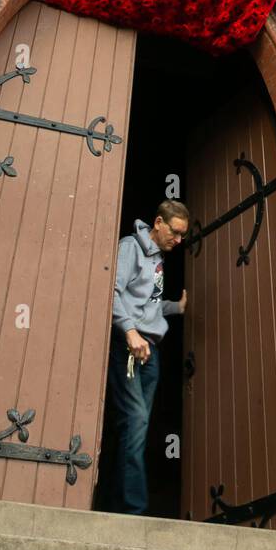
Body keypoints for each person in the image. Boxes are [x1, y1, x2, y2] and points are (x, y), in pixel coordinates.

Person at [107, 200, 190, 515]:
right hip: (129, 348)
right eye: (176, 232)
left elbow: (148, 304)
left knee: (132, 425)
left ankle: (115, 503)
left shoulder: (158, 258)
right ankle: (133, 510)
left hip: (150, 353)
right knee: (136, 420)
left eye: (183, 235)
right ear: (159, 222)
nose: (179, 241)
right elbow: (113, 291)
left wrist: (175, 308)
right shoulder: (131, 248)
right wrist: (129, 333)